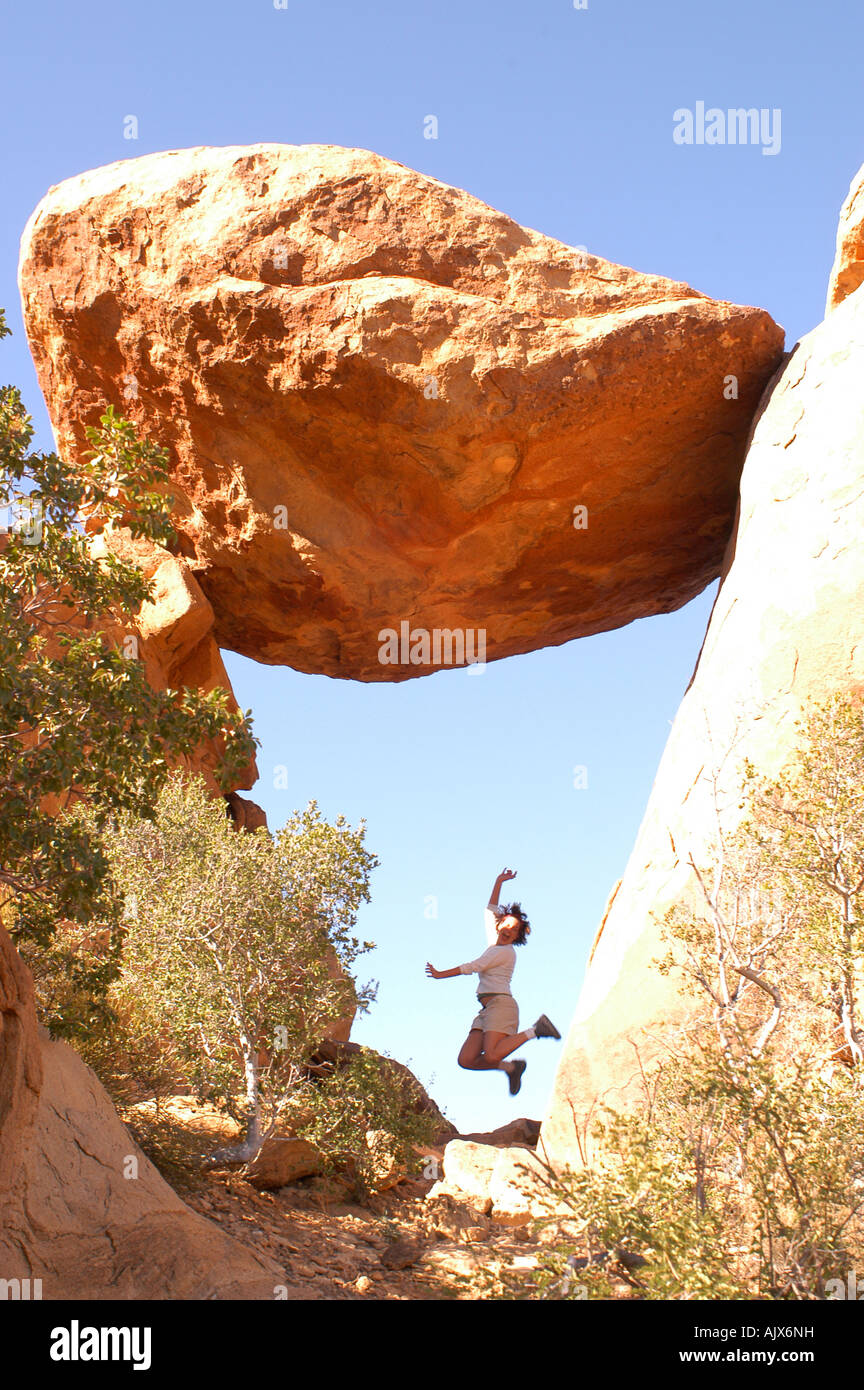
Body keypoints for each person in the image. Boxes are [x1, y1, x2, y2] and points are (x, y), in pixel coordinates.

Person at [425, 867, 561, 1096]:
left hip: (502, 1006)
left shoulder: (504, 952)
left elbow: (473, 967)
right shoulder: (494, 944)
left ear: (517, 937)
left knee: (491, 1054)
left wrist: (440, 974)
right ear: (499, 926)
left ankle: (537, 1030)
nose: (509, 929)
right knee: (466, 1059)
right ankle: (511, 1068)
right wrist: (499, 881)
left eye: (515, 929)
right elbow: (490, 911)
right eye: (506, 925)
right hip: (486, 1010)